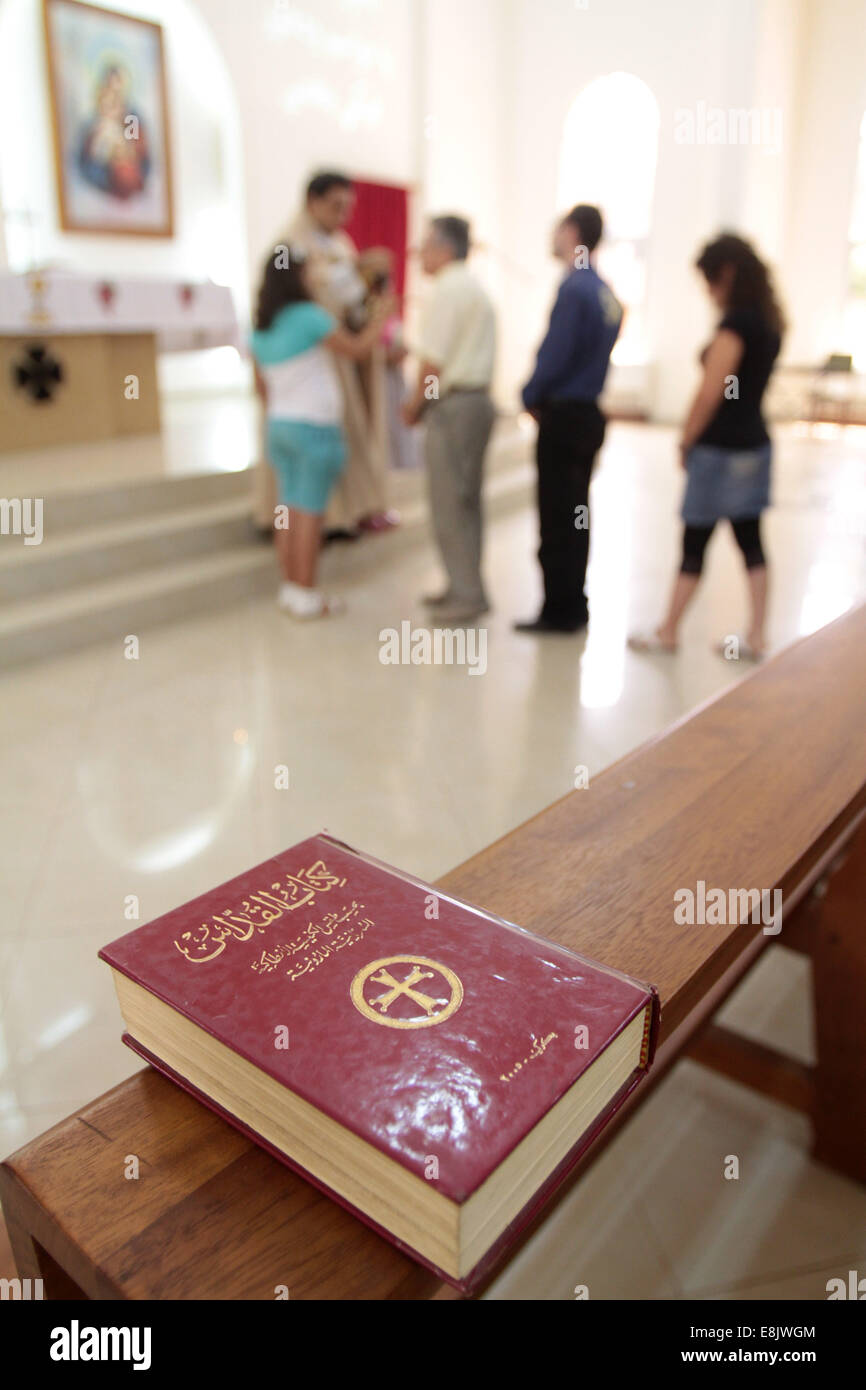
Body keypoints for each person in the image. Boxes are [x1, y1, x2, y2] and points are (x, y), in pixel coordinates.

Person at [629, 233, 784, 660]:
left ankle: (668, 630)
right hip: (754, 441)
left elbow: (712, 391)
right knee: (750, 540)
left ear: (727, 274)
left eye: (710, 282)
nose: (708, 292)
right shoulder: (768, 322)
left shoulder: (736, 326)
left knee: (695, 540)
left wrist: (686, 437)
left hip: (721, 449)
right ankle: (756, 634)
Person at [250, 246, 391, 619]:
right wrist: (382, 318)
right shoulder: (310, 317)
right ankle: (307, 593)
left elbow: (261, 390)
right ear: (295, 276)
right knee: (310, 513)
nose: (317, 275)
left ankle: (290, 588)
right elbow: (358, 350)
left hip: (280, 427)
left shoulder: (262, 325)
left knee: (287, 509)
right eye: (310, 269)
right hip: (313, 429)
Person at [515, 204, 623, 634]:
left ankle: (560, 608)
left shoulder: (575, 289)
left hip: (564, 416)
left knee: (558, 515)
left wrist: (530, 393)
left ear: (573, 231)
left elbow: (557, 353)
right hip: (587, 413)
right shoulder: (603, 291)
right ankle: (574, 602)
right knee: (576, 511)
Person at [283, 172, 395, 538]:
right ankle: (326, 518)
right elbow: (312, 294)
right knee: (329, 435)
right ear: (311, 202)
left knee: (353, 432)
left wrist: (366, 283)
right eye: (335, 206)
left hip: (346, 348)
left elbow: (350, 293)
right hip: (318, 357)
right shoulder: (290, 245)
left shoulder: (341, 243)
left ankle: (355, 508)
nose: (343, 215)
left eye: (348, 207)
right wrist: (361, 271)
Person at [402, 216, 496, 623]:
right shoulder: (473, 287)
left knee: (449, 503)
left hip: (454, 405)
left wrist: (412, 405)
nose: (419, 251)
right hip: (477, 402)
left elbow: (433, 363)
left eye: (425, 243)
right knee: (467, 500)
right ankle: (467, 585)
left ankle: (466, 593)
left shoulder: (447, 290)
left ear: (443, 247)